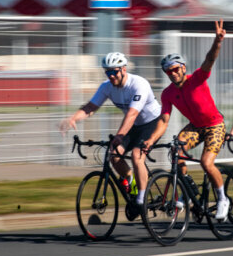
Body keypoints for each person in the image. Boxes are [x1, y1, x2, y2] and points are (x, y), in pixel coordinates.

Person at [142, 20, 230, 220]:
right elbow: (163, 121)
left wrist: (217, 42)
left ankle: (222, 198)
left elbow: (209, 59)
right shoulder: (168, 93)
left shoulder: (196, 79)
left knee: (207, 163)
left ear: (183, 68)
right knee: (176, 152)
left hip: (215, 125)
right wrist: (150, 140)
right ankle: (188, 191)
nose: (172, 74)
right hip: (196, 127)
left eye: (175, 69)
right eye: (168, 72)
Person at [60, 52, 161, 217]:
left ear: (123, 69)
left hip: (152, 123)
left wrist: (119, 135)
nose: (111, 75)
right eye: (107, 72)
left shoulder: (139, 84)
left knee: (137, 156)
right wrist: (73, 118)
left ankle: (141, 200)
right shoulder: (106, 87)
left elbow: (132, 114)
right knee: (114, 155)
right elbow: (91, 107)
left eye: (114, 71)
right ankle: (132, 185)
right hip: (134, 125)